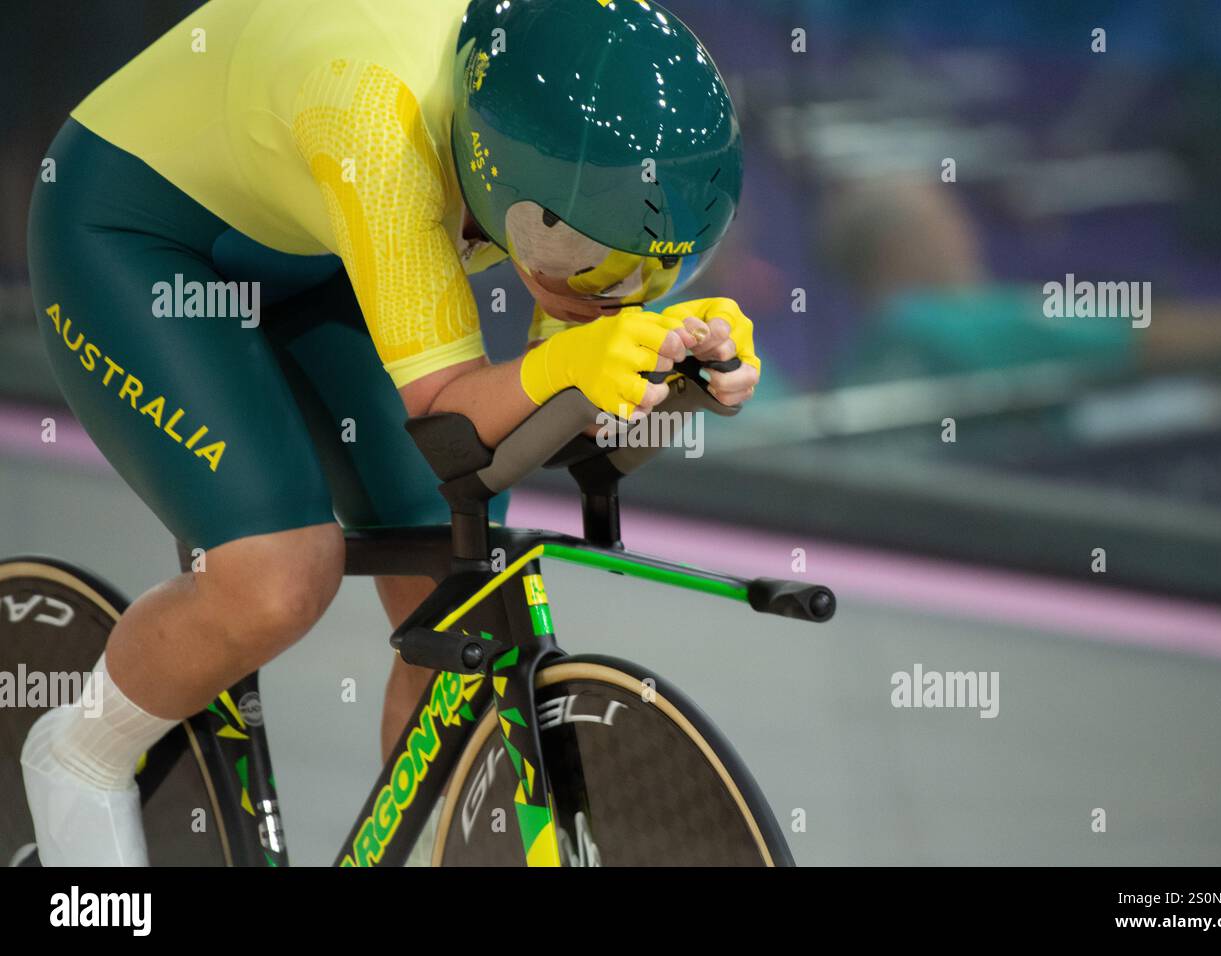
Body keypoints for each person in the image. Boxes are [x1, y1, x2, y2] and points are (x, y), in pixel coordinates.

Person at [21, 0, 758, 866]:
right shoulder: (379, 123)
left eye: (660, 268)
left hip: (316, 232)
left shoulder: (564, 149)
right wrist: (580, 360)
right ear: (492, 175)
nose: (616, 289)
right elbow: (450, 413)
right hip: (134, 231)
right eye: (589, 264)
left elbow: (541, 430)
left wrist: (676, 371)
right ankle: (78, 749)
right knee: (277, 577)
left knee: (455, 577)